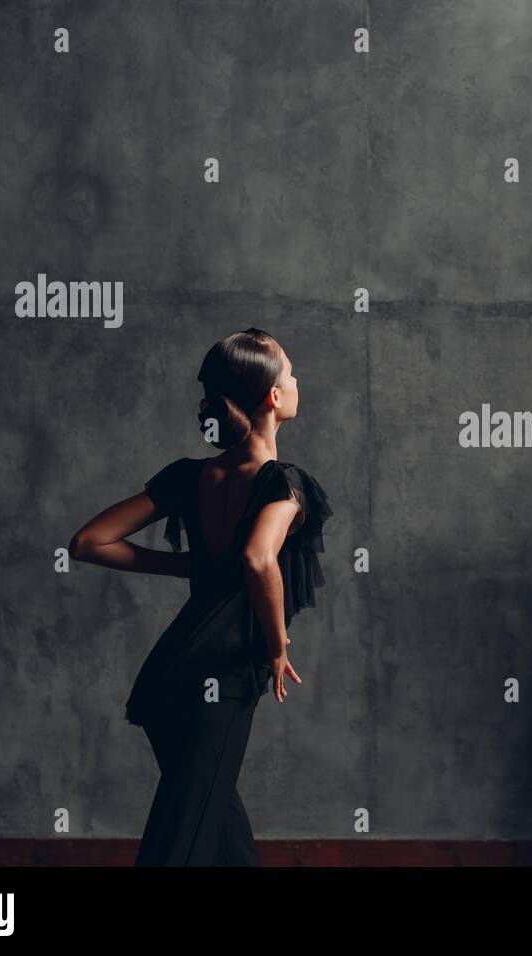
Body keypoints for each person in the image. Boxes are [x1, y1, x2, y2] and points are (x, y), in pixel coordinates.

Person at [69, 327, 332, 866]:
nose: (297, 378)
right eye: (291, 372)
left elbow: (87, 542)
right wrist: (279, 645)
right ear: (274, 398)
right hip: (225, 671)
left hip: (170, 673)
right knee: (183, 838)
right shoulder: (285, 482)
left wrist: (186, 565)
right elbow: (259, 558)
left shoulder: (192, 477)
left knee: (217, 824)